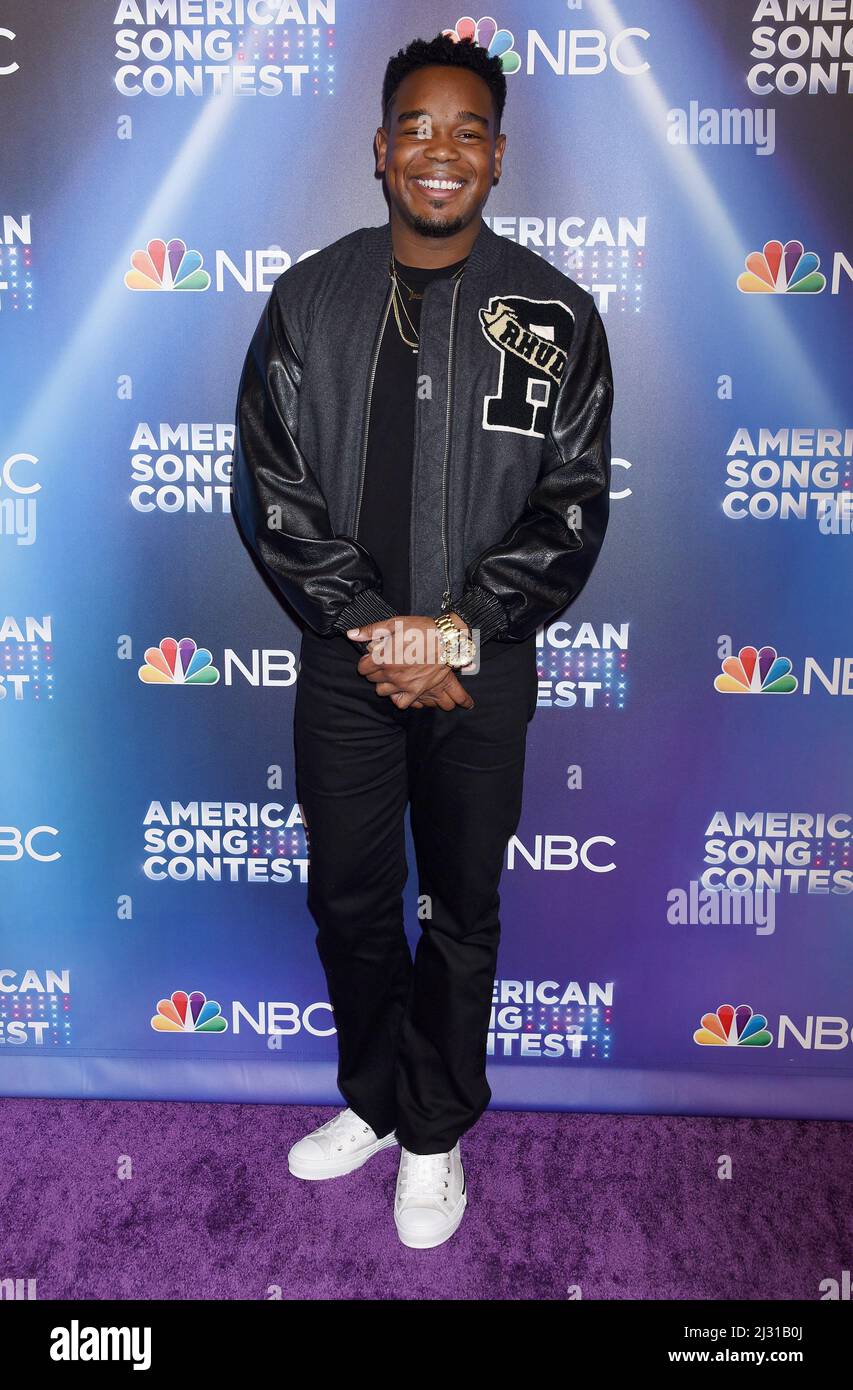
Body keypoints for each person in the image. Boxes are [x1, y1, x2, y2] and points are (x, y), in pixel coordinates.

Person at [230, 31, 613, 1250]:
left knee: (459, 906)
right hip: (345, 666)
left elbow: (571, 504)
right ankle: (375, 1097)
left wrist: (457, 627)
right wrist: (367, 624)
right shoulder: (311, 297)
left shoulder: (552, 312)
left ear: (497, 158)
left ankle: (435, 1130)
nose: (438, 152)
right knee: (348, 900)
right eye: (416, 129)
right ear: (380, 149)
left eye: (465, 133)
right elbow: (269, 488)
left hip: (481, 670)